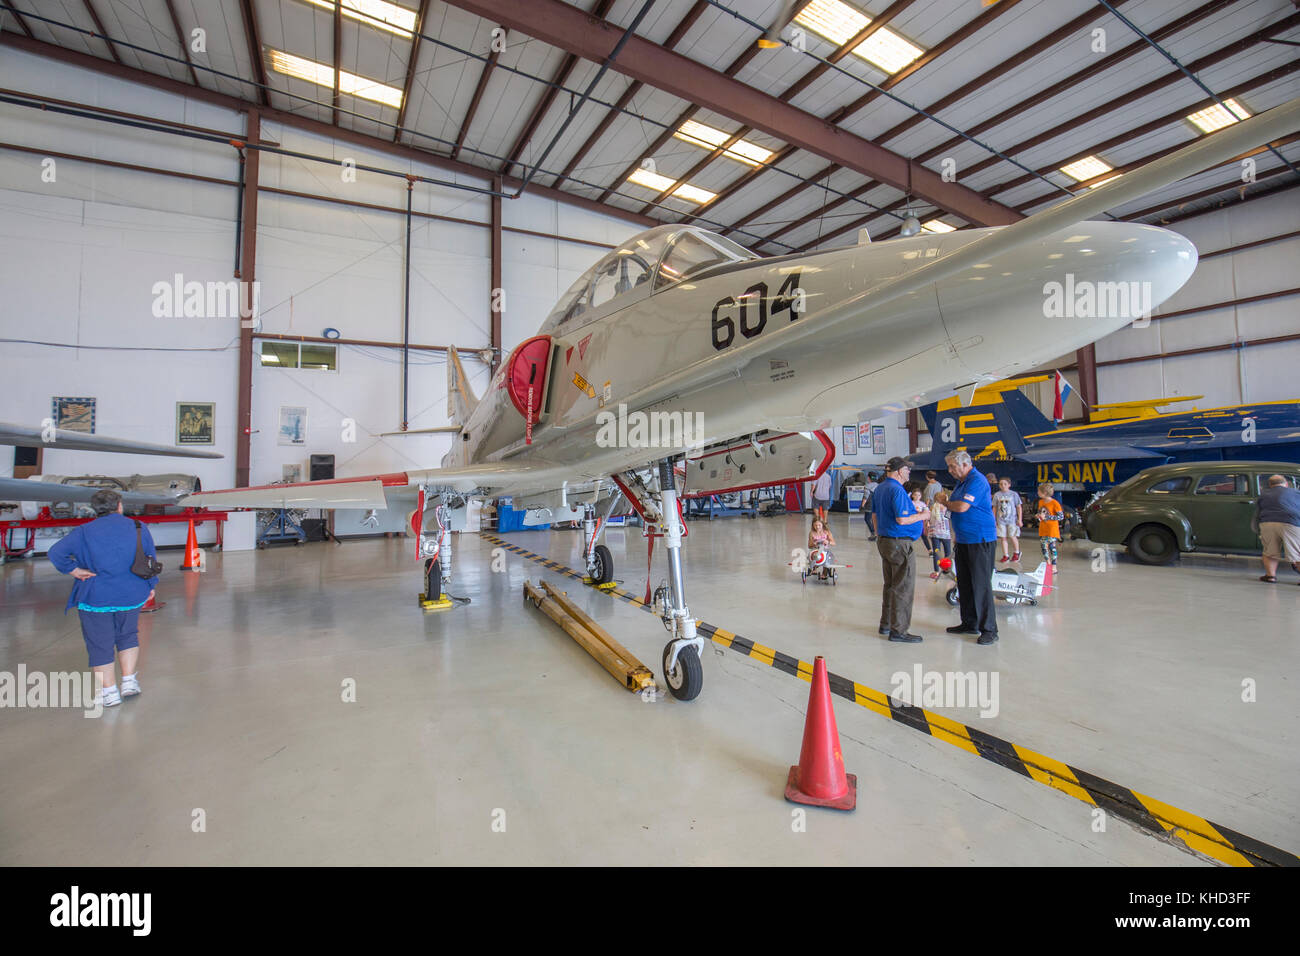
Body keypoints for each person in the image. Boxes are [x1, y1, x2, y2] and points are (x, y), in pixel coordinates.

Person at [48, 489, 158, 707]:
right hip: (131, 592)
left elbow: (56, 553)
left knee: (99, 643)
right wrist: (151, 586)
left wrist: (74, 570)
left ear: (95, 509)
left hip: (96, 595)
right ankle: (129, 681)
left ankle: (109, 692)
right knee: (128, 634)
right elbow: (150, 559)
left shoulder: (84, 531)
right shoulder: (138, 527)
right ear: (119, 505)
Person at [871, 457, 929, 642]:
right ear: (898, 471)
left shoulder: (880, 488)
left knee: (890, 585)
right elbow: (902, 519)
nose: (909, 473)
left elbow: (874, 515)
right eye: (907, 470)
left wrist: (879, 533)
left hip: (885, 540)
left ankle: (886, 624)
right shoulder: (896, 490)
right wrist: (923, 515)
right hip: (899, 543)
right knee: (903, 587)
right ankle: (899, 630)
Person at [944, 450, 999, 645]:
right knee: (965, 583)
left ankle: (989, 629)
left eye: (953, 466)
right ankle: (969, 622)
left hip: (980, 539)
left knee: (981, 584)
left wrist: (945, 502)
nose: (950, 470)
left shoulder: (977, 480)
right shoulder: (961, 482)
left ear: (965, 464)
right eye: (949, 466)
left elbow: (961, 507)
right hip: (964, 540)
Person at [1254, 474, 1300, 584]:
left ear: (1270, 485)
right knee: (1297, 552)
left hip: (1267, 523)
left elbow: (1257, 513)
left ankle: (1270, 576)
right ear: (1286, 484)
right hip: (1290, 523)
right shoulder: (1295, 493)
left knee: (1270, 551)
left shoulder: (1263, 495)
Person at [993, 477, 1023, 563]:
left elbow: (1018, 507)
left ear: (1009, 485)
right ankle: (1006, 555)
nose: (1003, 486)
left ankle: (1016, 552)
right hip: (1001, 520)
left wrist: (1020, 519)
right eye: (1001, 484)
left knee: (1012, 536)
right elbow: (994, 508)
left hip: (1012, 520)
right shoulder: (997, 495)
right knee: (1003, 537)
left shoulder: (1014, 494)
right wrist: (994, 519)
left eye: (1005, 484)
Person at [1036, 482, 1064, 570]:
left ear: (1044, 493)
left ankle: (1054, 566)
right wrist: (1038, 515)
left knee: (1052, 547)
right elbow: (1041, 512)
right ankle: (1048, 563)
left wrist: (1047, 517)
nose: (1037, 492)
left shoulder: (1055, 503)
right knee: (1043, 547)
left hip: (1052, 529)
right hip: (1043, 528)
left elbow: (1060, 516)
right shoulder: (1040, 502)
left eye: (1039, 491)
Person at [927, 491, 953, 579]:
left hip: (934, 533)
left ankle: (936, 571)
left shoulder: (932, 507)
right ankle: (947, 570)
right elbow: (949, 518)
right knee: (948, 553)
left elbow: (929, 519)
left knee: (936, 552)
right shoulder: (947, 508)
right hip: (946, 533)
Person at [860, 471, 880, 541]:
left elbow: (866, 496)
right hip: (878, 505)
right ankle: (877, 533)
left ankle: (874, 533)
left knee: (867, 519)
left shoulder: (867, 486)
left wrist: (862, 505)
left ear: (868, 478)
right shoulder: (879, 486)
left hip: (870, 505)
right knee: (875, 519)